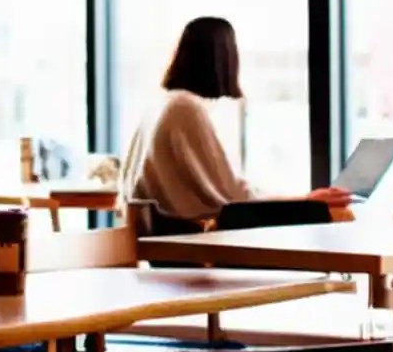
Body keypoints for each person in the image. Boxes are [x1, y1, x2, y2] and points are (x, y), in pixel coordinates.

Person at [120, 16, 351, 232]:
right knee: (338, 213)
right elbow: (231, 194)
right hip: (196, 235)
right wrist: (305, 200)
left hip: (167, 231)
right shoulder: (186, 109)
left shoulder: (163, 103)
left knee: (324, 208)